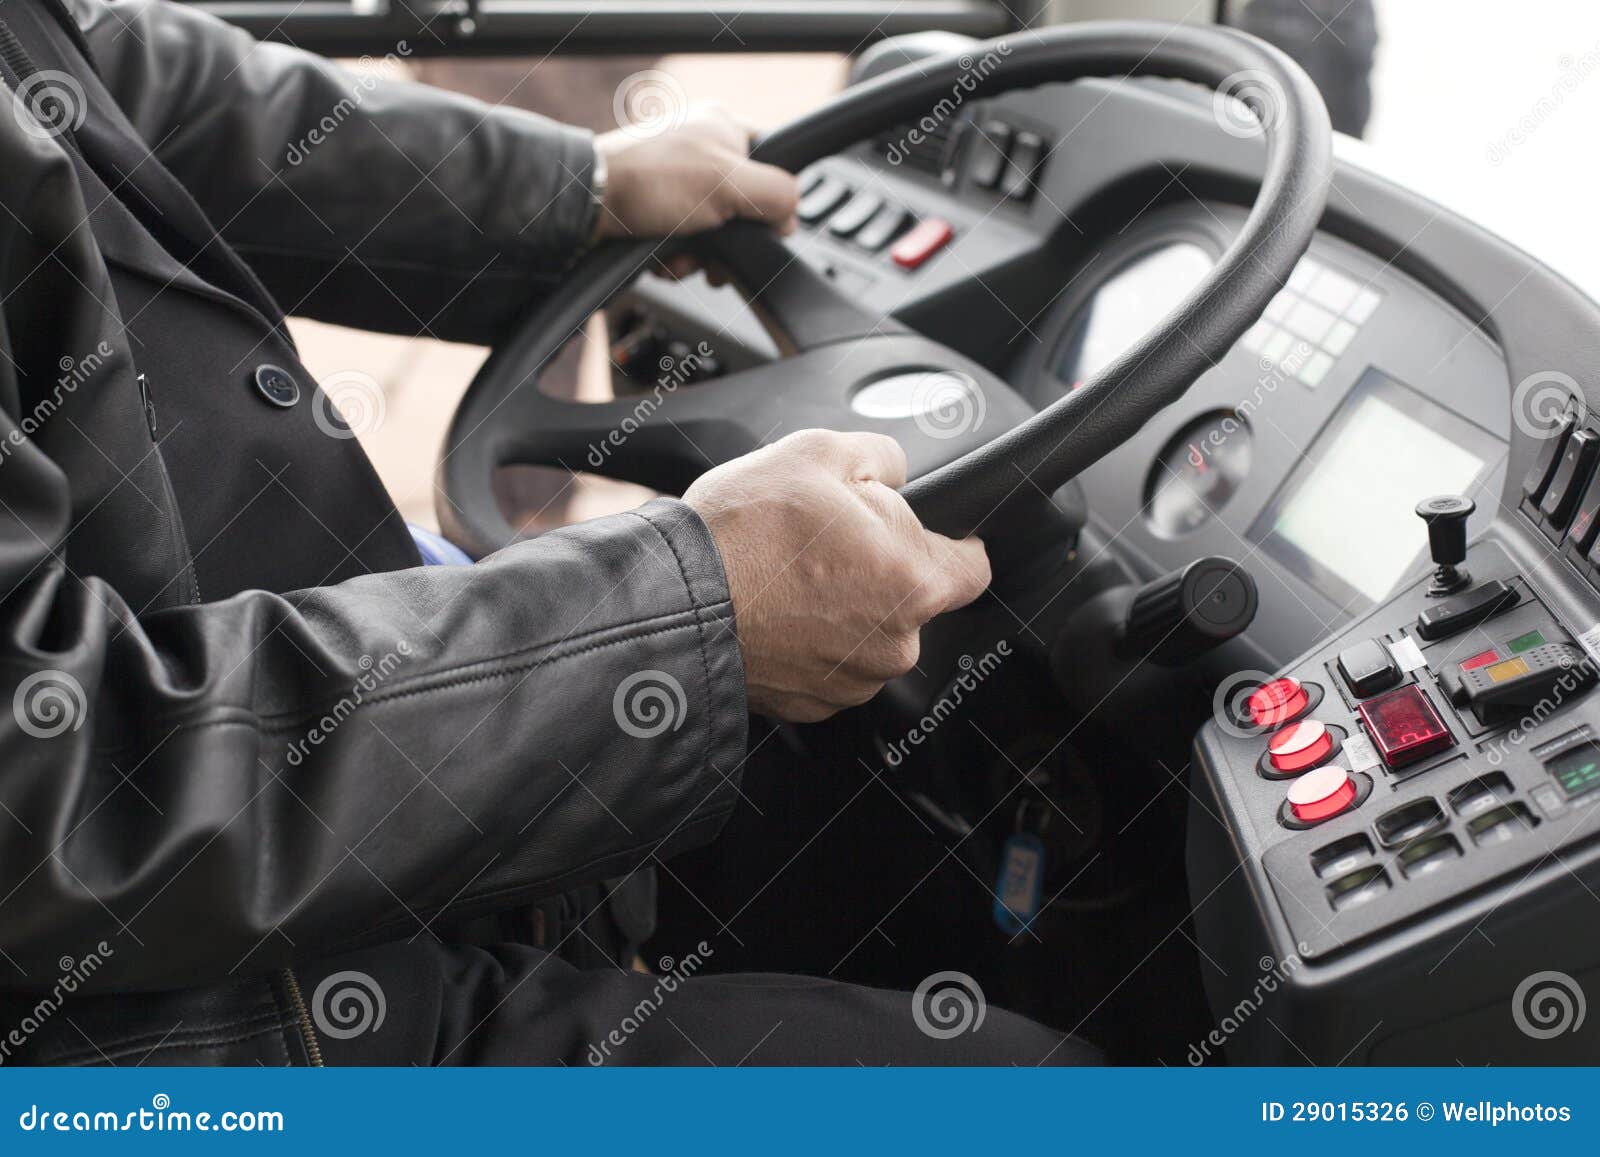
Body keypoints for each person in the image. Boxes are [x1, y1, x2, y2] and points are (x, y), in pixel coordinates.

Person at [0, 0, 1097, 1064]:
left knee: (802, 802)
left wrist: (578, 189)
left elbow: (106, 72)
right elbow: (54, 784)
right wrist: (682, 615)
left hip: (246, 843)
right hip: (175, 1045)